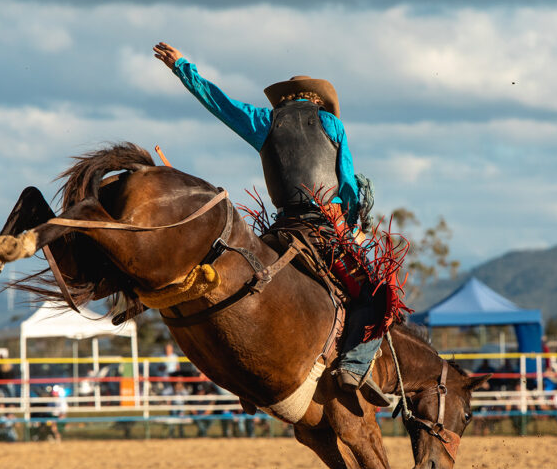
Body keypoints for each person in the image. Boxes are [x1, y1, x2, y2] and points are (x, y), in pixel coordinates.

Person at [153, 42, 385, 393]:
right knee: (378, 296)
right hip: (323, 232)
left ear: (284, 101)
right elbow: (349, 184)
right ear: (317, 100)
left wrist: (183, 67)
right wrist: (352, 224)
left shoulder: (265, 120)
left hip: (283, 229)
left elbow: (220, 104)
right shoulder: (332, 125)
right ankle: (352, 366)